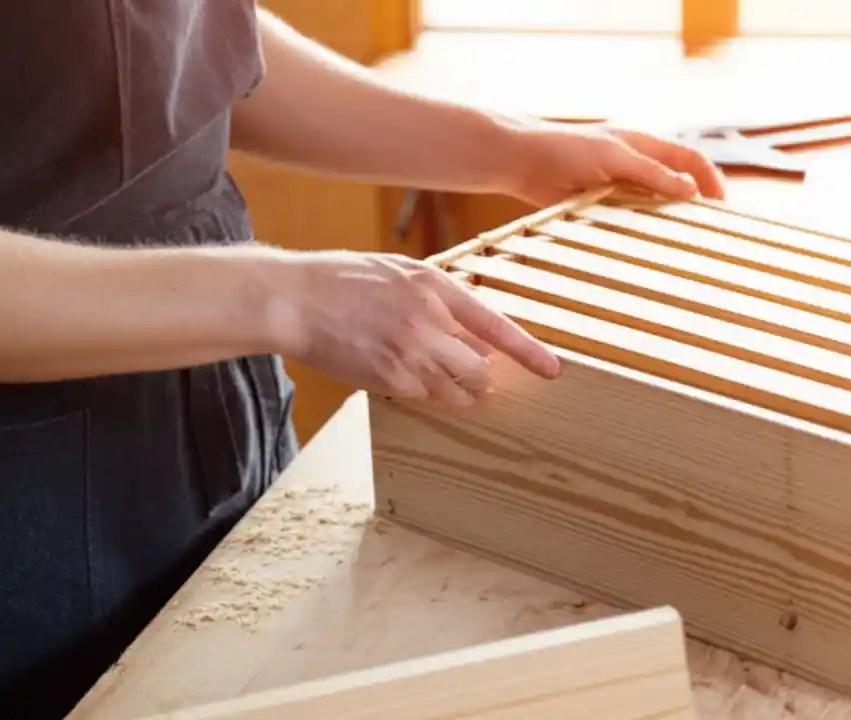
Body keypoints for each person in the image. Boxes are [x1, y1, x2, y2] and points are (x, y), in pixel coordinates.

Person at [0, 3, 725, 717]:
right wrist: (285, 301)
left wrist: (511, 149)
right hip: (36, 498)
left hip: (216, 395)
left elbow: (201, 43)